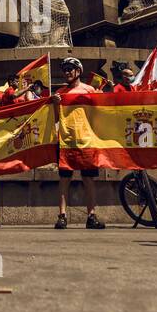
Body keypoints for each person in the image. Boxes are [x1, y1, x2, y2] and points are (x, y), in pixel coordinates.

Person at [50, 57, 105, 230]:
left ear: (78, 71)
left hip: (86, 139)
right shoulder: (60, 93)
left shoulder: (89, 90)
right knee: (64, 179)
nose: (67, 72)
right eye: (65, 69)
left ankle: (91, 216)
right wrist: (55, 105)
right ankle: (62, 216)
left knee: (88, 179)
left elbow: (101, 113)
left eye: (70, 69)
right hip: (66, 140)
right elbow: (55, 119)